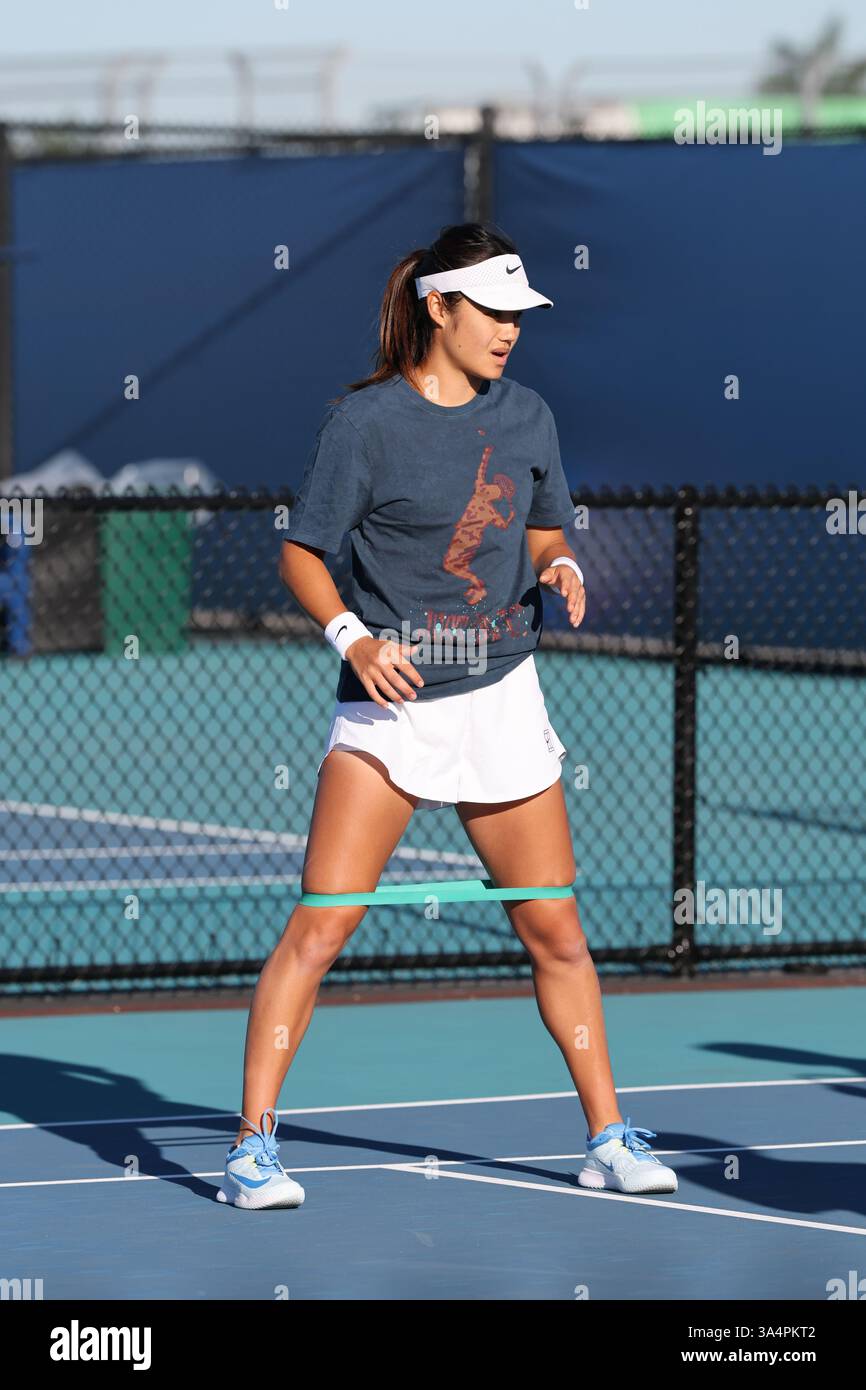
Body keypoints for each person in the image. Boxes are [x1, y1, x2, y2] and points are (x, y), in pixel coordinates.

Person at [218, 222, 678, 1210]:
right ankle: (252, 1147)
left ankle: (606, 1134)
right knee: (323, 925)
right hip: (389, 714)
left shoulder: (529, 416)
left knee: (555, 931)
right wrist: (353, 636)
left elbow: (542, 521)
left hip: (503, 697)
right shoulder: (365, 424)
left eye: (519, 316)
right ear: (439, 307)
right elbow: (305, 551)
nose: (510, 331)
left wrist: (556, 560)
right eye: (493, 313)